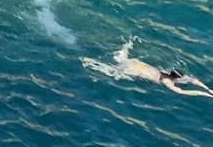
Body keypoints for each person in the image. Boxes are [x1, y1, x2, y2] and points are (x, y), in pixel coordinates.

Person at [83, 40, 213, 97]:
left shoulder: (167, 73)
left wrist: (208, 88)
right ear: (176, 78)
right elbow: (181, 92)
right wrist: (204, 94)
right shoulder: (167, 82)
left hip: (139, 65)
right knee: (113, 71)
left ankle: (127, 45)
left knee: (123, 59)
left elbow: (193, 80)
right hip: (136, 71)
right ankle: (93, 63)